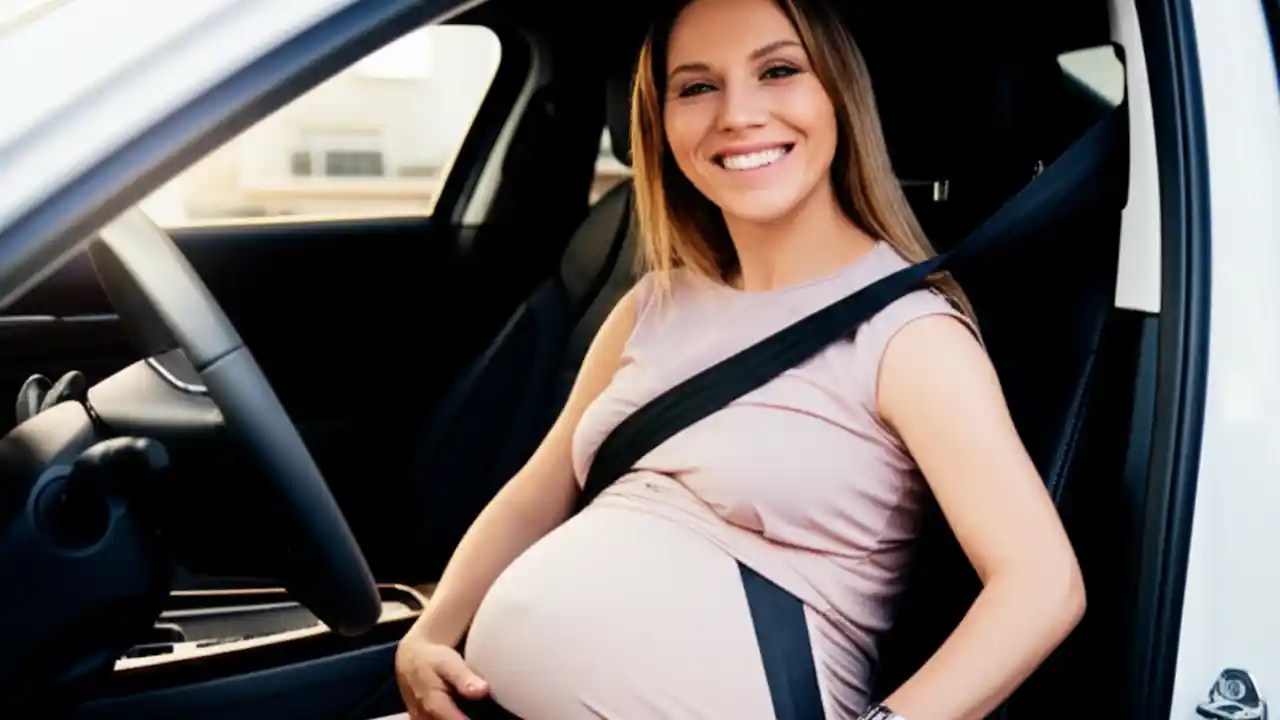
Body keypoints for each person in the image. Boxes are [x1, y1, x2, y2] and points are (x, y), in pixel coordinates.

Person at [394, 0, 1086, 717]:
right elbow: (536, 493)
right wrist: (427, 636)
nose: (737, 114)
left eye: (779, 70)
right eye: (697, 86)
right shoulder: (650, 303)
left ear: (839, 97)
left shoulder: (907, 335)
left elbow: (1040, 584)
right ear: (660, 124)